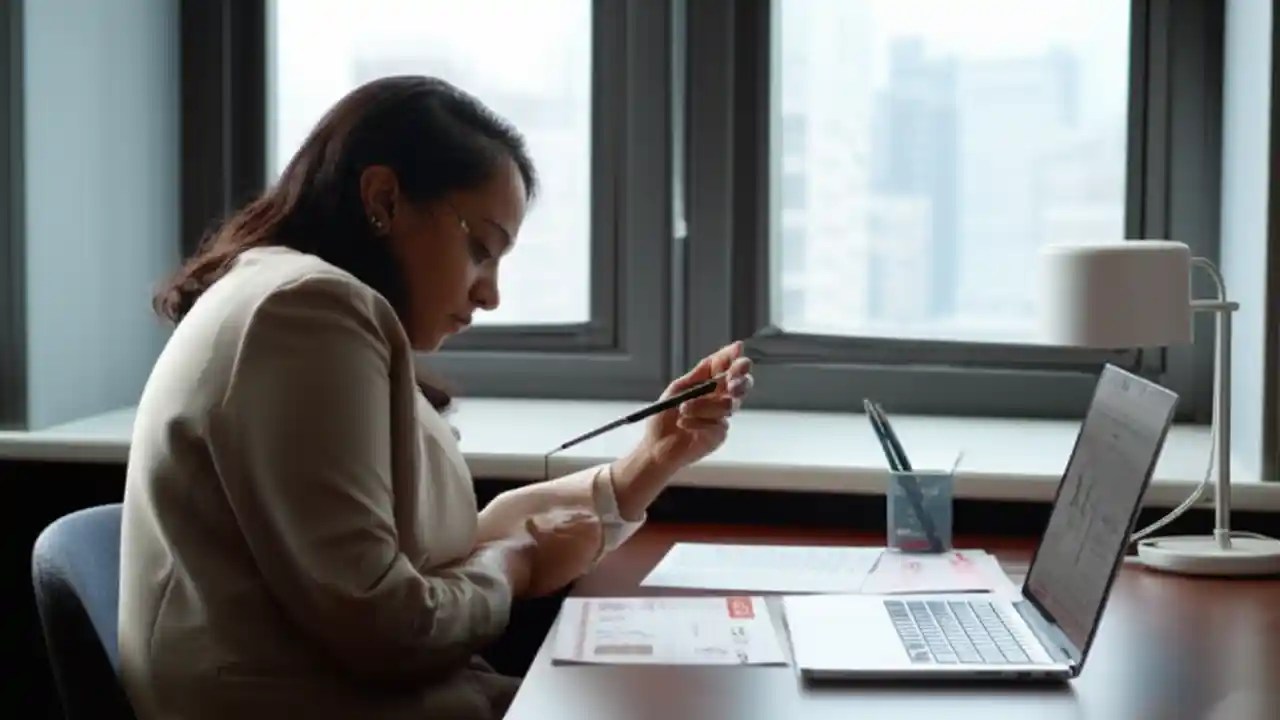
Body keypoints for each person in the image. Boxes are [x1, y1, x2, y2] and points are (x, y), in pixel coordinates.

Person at [118, 75, 753, 720]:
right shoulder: (307, 311)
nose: (490, 295)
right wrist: (516, 564)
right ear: (384, 199)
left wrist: (651, 462)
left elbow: (428, 557)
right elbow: (388, 627)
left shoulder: (301, 301)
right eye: (480, 248)